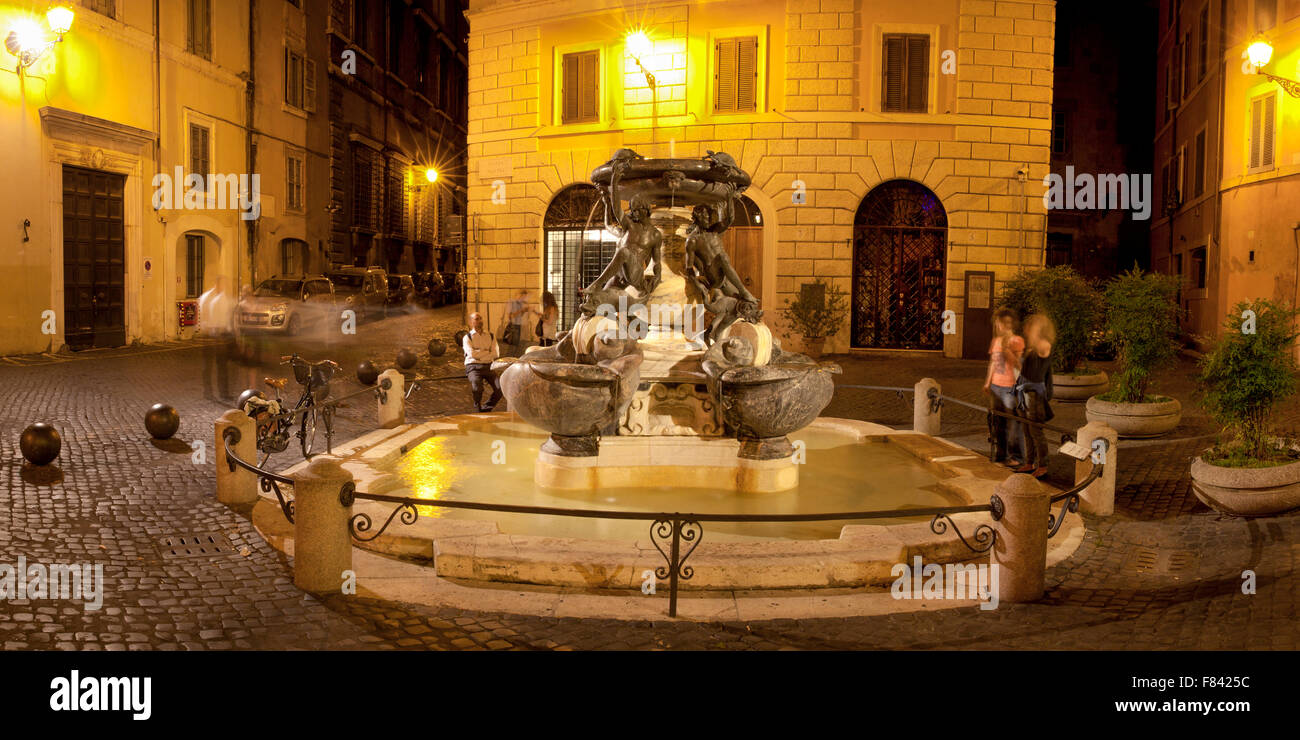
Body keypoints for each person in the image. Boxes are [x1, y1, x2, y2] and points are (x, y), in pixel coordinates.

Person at [1014, 314, 1056, 478]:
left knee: (1036, 431)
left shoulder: (1044, 345)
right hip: (1023, 393)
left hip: (1035, 396)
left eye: (1032, 327)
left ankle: (1043, 465)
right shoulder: (1031, 347)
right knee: (1026, 430)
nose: (1028, 329)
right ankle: (1029, 462)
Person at [982, 307, 1024, 466]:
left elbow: (1020, 365)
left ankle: (1016, 457)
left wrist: (1008, 351)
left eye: (1004, 323)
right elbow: (993, 362)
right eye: (999, 323)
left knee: (1012, 423)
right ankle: (1000, 454)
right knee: (997, 422)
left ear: (1010, 324)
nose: (1000, 326)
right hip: (996, 386)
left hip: (1009, 386)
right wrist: (987, 382)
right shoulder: (996, 341)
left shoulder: (1017, 341)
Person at [197, 276, 237, 403]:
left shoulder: (206, 297)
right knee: (219, 365)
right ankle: (221, 392)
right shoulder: (214, 299)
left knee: (210, 365)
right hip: (216, 334)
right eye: (224, 284)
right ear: (219, 284)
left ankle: (210, 392)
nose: (225, 287)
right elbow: (219, 319)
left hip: (209, 334)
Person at [463, 312, 503, 412]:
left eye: (480, 318)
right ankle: (477, 405)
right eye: (477, 319)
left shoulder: (491, 335)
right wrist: (487, 352)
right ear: (471, 322)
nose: (480, 321)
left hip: (488, 366)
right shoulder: (467, 337)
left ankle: (486, 408)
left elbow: (496, 354)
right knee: (477, 387)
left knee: (500, 388)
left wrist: (479, 354)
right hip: (473, 367)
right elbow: (472, 354)